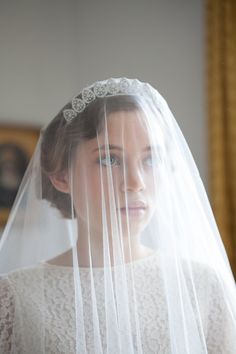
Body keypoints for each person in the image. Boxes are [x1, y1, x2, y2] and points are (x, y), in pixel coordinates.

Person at [0, 77, 236, 353]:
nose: (135, 182)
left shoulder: (204, 287)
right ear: (62, 175)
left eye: (151, 159)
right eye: (109, 159)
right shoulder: (13, 298)